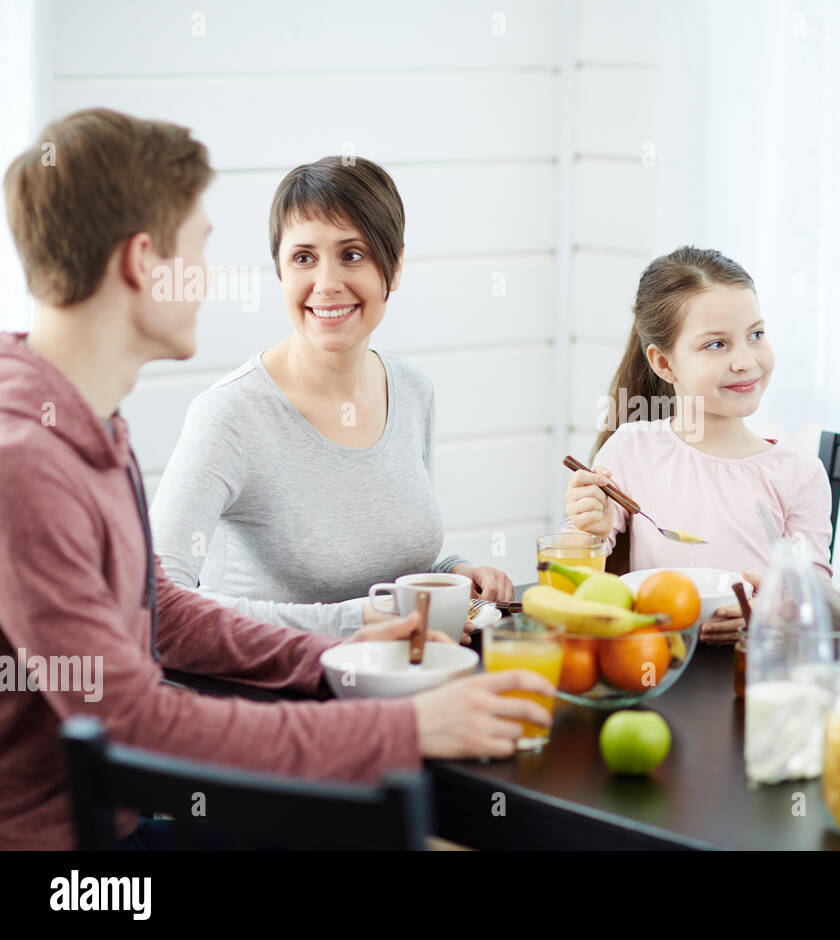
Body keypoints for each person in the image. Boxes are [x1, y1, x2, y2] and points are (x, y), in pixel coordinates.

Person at [0, 108, 553, 849]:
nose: (213, 278)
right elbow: (129, 719)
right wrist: (396, 726)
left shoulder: (89, 418)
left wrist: (337, 658)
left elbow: (159, 606)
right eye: (199, 249)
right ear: (142, 263)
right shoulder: (26, 461)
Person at [149, 155, 509, 638]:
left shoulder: (411, 391)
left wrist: (450, 573)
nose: (327, 284)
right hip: (273, 700)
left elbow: (381, 559)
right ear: (279, 270)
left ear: (395, 266)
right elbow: (156, 603)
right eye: (303, 258)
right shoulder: (230, 414)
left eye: (352, 254)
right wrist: (352, 623)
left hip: (401, 683)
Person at [563, 246, 831, 645]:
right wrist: (589, 535)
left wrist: (771, 612)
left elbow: (816, 600)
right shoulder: (632, 450)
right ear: (664, 364)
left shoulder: (798, 473)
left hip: (751, 675)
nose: (745, 361)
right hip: (652, 665)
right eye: (716, 345)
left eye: (755, 335)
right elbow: (566, 592)